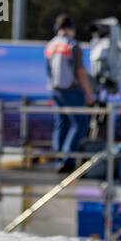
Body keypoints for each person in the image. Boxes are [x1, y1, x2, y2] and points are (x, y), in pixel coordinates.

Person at [44, 14, 95, 172]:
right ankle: (68, 158)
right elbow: (80, 71)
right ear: (71, 29)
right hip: (71, 90)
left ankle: (59, 157)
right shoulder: (72, 46)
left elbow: (48, 71)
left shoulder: (51, 46)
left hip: (55, 90)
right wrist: (89, 93)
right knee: (79, 123)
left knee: (61, 123)